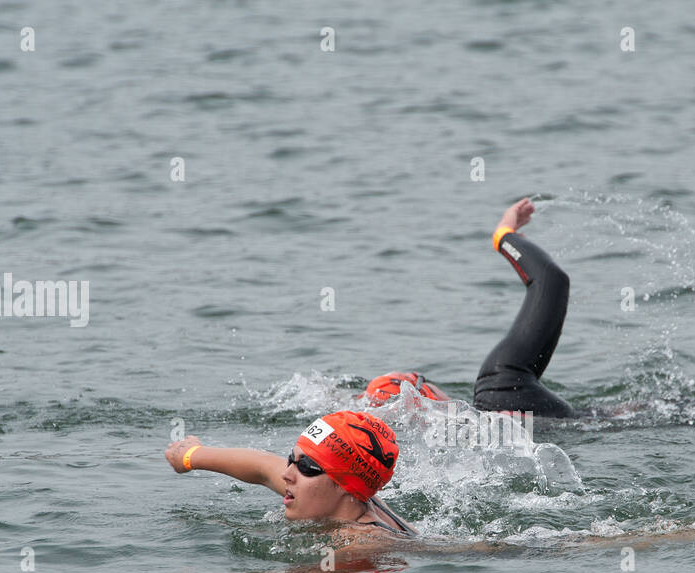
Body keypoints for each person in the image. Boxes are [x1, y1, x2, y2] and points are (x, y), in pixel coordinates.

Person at [363, 197, 580, 418]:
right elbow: (551, 281)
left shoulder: (476, 431)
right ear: (425, 395)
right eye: (422, 379)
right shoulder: (500, 386)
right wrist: (505, 235)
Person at [164, 410, 417, 538]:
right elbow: (263, 467)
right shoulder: (346, 496)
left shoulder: (359, 543)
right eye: (291, 459)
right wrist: (190, 456)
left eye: (306, 466)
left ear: (343, 485)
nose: (287, 474)